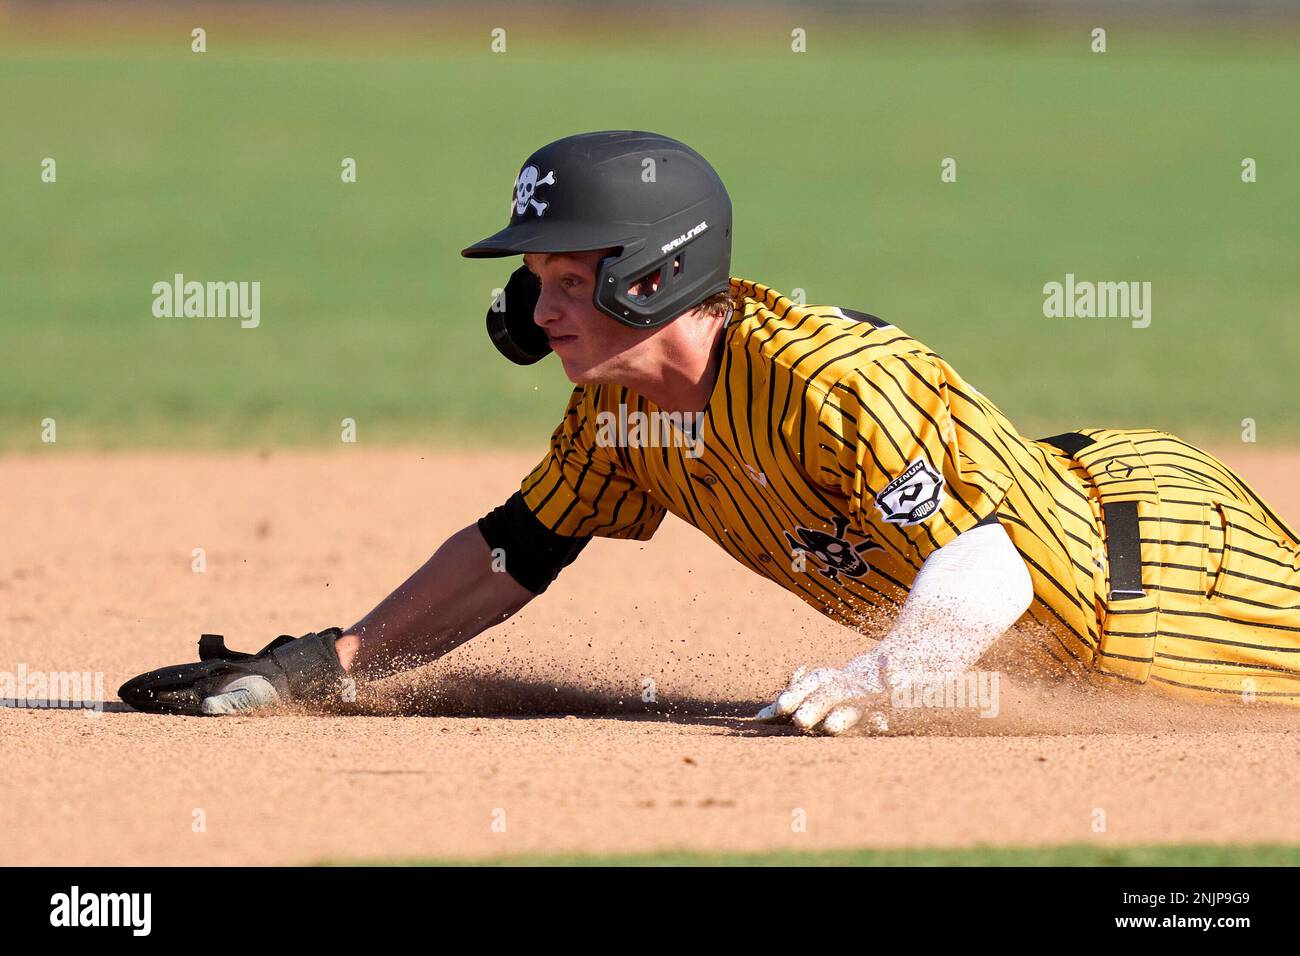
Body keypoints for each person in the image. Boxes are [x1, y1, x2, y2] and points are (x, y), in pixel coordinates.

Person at [120, 130, 1300, 735]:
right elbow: (514, 548)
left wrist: (888, 677)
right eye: (534, 279)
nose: (541, 309)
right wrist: (331, 663)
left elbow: (988, 569)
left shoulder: (835, 381)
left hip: (1163, 573)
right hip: (1066, 552)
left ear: (657, 275)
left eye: (571, 277)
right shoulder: (618, 415)